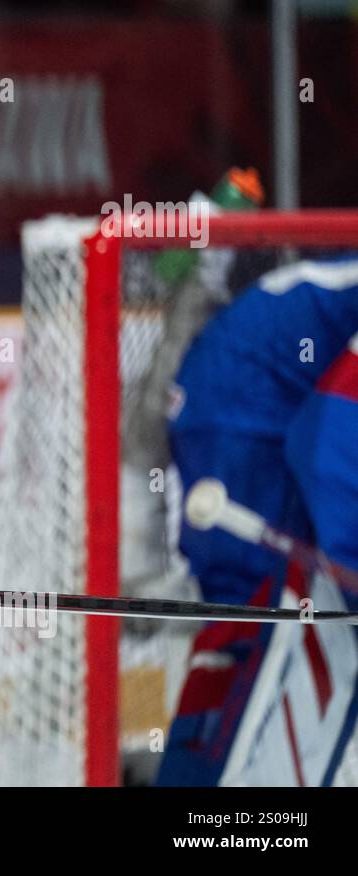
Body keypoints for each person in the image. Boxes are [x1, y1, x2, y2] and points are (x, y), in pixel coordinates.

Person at [160, 256, 358, 785]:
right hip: (245, 420)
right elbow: (326, 446)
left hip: (235, 403)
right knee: (262, 628)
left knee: (244, 627)